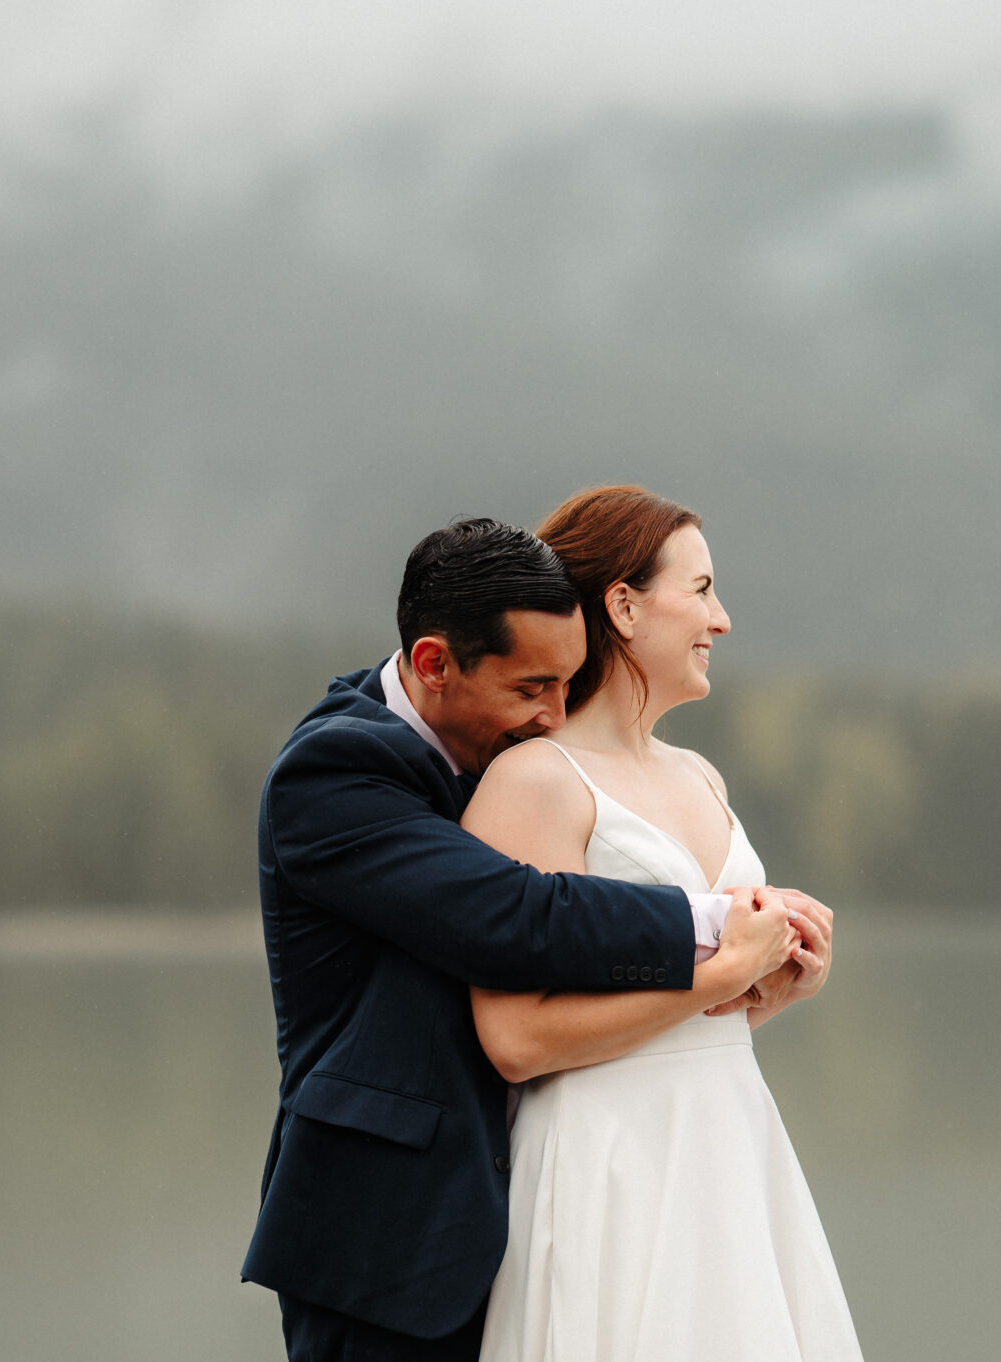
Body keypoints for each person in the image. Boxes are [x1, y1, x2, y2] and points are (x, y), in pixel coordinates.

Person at [240, 518, 810, 1362]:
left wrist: (761, 978)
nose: (554, 716)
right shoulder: (333, 774)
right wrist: (721, 924)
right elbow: (518, 914)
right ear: (434, 664)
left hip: (543, 1207)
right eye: (532, 687)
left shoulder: (501, 746)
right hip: (389, 1236)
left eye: (568, 684)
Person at [469, 486, 863, 1360]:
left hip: (730, 1145)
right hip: (611, 1162)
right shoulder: (536, 781)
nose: (722, 620)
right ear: (623, 605)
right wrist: (721, 973)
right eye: (703, 589)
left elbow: (691, 1023)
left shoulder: (701, 776)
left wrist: (778, 985)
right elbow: (516, 1041)